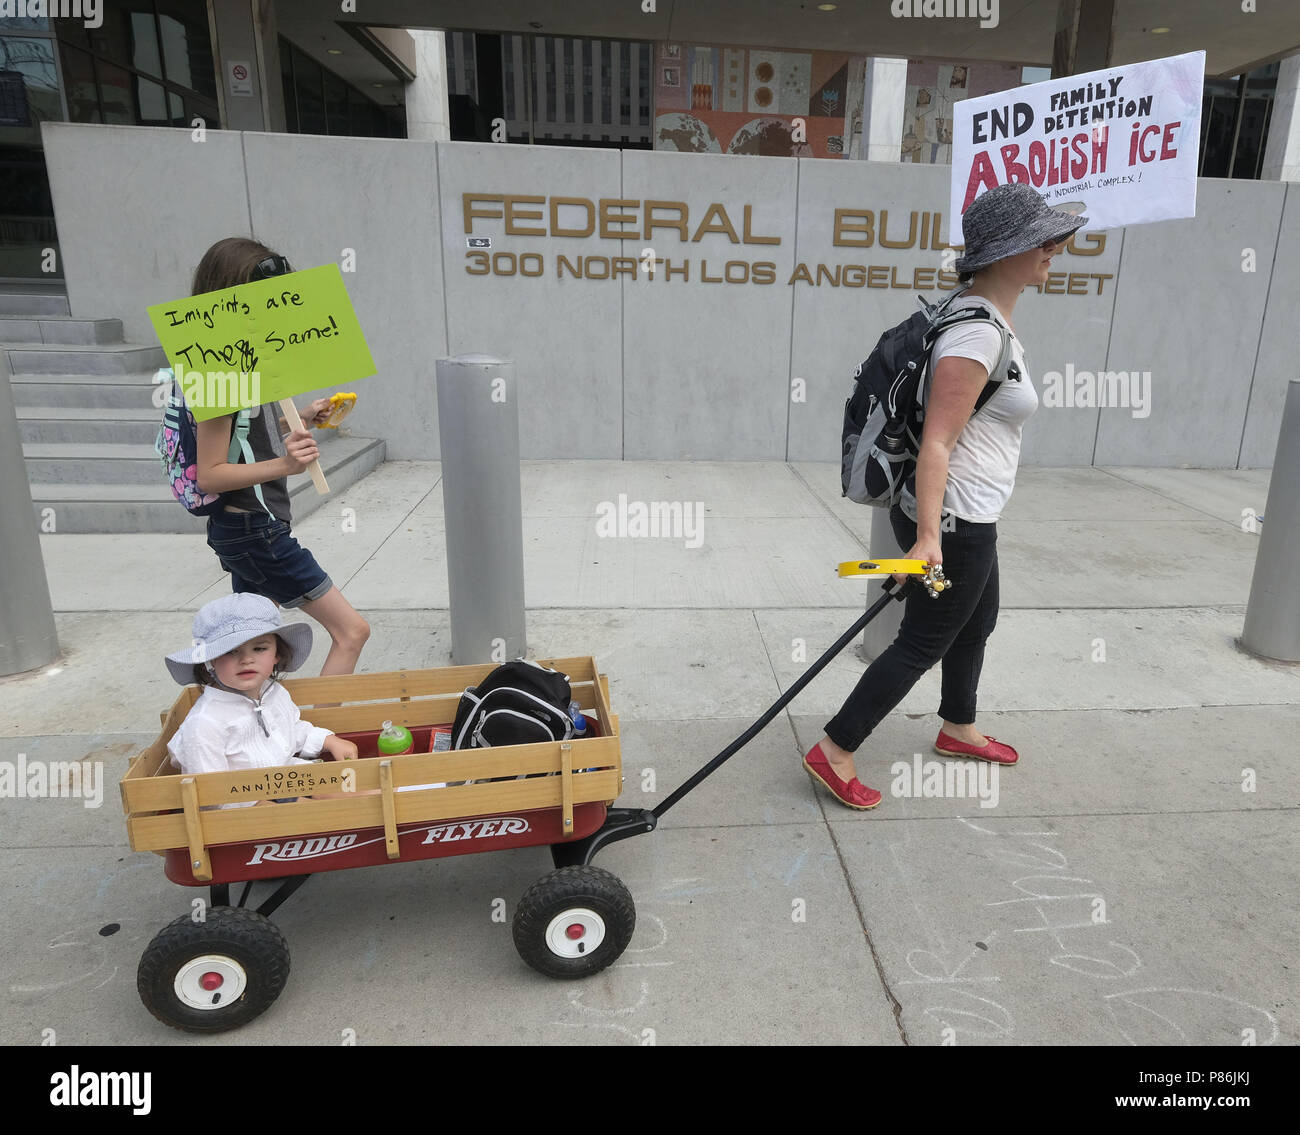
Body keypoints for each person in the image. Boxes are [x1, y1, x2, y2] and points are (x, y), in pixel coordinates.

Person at [804, 182, 1088, 810]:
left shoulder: (980, 315)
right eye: (1042, 240)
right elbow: (937, 444)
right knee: (924, 639)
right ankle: (836, 748)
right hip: (954, 520)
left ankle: (958, 727)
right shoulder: (975, 335)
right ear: (1001, 253)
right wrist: (929, 537)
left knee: (976, 621)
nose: (1055, 249)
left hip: (968, 514)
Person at [189, 236, 370, 676]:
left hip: (251, 528)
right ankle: (317, 742)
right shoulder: (219, 370)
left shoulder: (243, 361)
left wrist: (303, 417)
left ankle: (258, 729)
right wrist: (288, 465)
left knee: (254, 646)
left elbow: (246, 435)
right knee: (352, 632)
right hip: (252, 530)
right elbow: (209, 474)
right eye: (262, 301)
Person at [165, 594, 358, 808]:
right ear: (209, 661)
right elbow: (209, 794)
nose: (247, 659)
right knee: (331, 808)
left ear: (277, 654)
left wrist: (327, 740)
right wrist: (259, 806)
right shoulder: (205, 723)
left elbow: (290, 730)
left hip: (288, 778)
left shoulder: (273, 693)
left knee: (352, 786)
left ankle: (391, 804)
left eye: (259, 648)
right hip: (247, 804)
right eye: (231, 651)